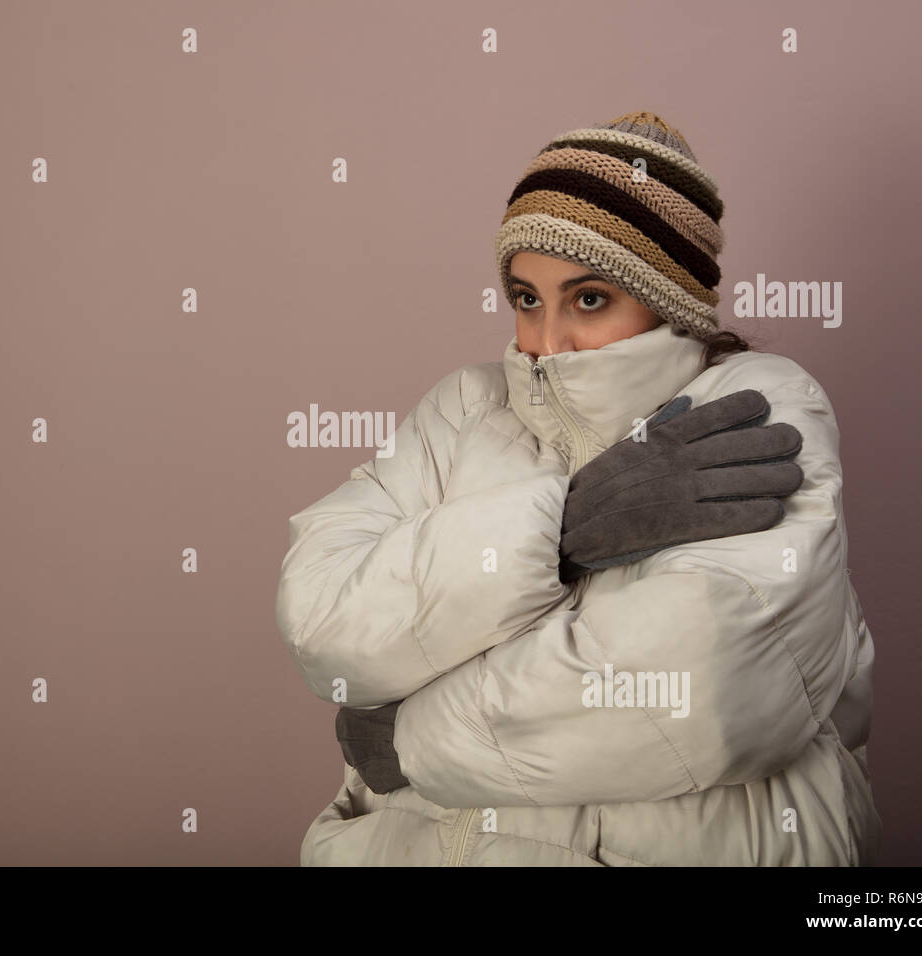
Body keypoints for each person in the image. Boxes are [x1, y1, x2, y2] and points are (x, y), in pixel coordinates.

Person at [275, 111, 881, 866]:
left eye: (589, 299)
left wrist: (408, 739)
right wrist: (558, 530)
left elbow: (702, 684)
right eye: (527, 298)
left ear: (670, 300)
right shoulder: (466, 407)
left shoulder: (757, 407)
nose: (546, 342)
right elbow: (323, 619)